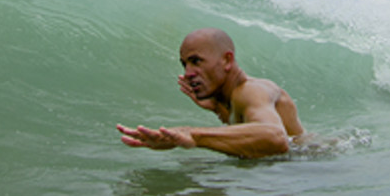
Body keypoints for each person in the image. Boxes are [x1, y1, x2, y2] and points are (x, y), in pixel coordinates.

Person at [117, 28, 304, 159]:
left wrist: (194, 135)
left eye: (196, 61)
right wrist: (218, 109)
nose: (188, 73)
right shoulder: (231, 99)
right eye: (185, 64)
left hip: (313, 167)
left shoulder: (250, 90)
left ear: (227, 60)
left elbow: (276, 138)